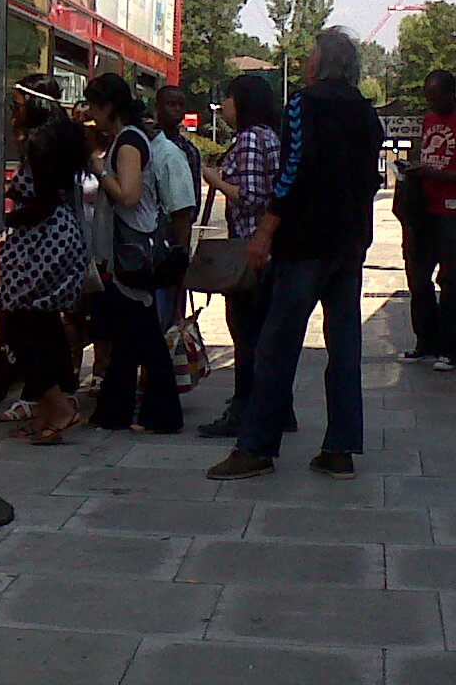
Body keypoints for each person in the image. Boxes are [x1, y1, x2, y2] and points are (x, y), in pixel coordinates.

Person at [207, 28, 384, 481]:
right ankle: (341, 448)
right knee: (344, 347)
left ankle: (256, 447)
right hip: (350, 245)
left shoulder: (304, 105)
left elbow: (291, 174)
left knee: (276, 346)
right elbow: (371, 180)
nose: (306, 61)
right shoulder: (367, 114)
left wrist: (266, 230)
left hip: (305, 244)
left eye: (311, 54)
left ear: (321, 62)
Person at [84, 72, 183, 434]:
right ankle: (116, 410)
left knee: (143, 337)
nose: (92, 114)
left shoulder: (128, 143)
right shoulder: (131, 138)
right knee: (129, 338)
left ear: (110, 107)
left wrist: (99, 171)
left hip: (132, 252)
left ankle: (160, 413)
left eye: (95, 106)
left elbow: (129, 195)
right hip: (130, 250)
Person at [0, 74, 90, 444]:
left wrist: (5, 218)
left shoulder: (40, 142)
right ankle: (50, 410)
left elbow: (41, 203)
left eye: (17, 105)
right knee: (44, 322)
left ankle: (57, 404)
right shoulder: (62, 136)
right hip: (60, 237)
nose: (12, 113)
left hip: (42, 239)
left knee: (18, 324)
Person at [197, 74, 286, 439]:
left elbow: (250, 196)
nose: (225, 107)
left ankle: (245, 408)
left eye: (229, 99)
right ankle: (279, 409)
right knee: (264, 336)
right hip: (269, 251)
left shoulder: (250, 139)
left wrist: (213, 178)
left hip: (250, 250)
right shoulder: (270, 136)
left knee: (246, 335)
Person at [399, 70, 456, 373]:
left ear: (450, 93)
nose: (431, 102)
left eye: (435, 96)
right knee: (417, 275)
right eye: (428, 96)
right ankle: (425, 340)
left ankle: (449, 348)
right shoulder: (429, 119)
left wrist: (436, 174)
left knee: (450, 277)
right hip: (423, 207)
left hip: (453, 210)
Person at [145, 92, 199, 332]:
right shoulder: (147, 145)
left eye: (181, 105)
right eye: (170, 104)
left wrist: (182, 250)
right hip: (151, 242)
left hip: (173, 238)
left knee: (170, 319)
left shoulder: (187, 150)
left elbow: (187, 206)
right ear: (157, 106)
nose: (176, 110)